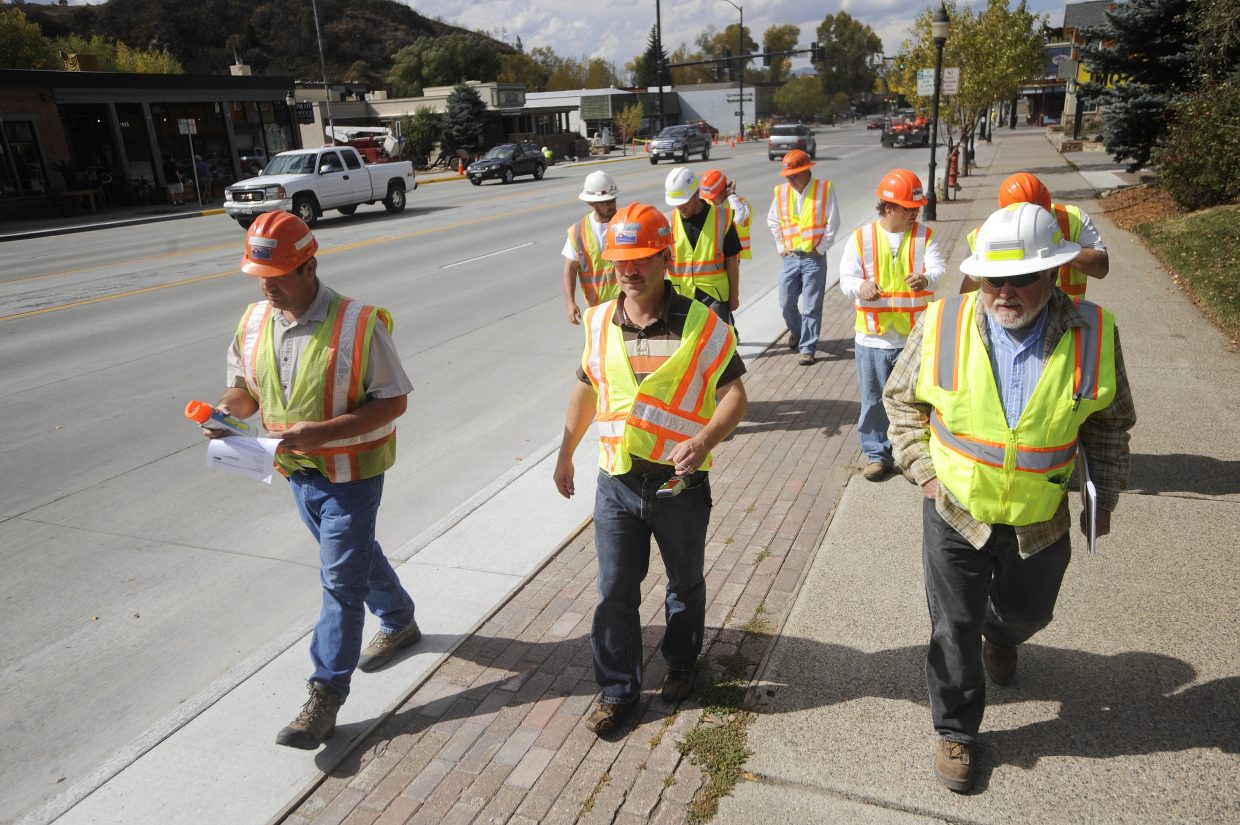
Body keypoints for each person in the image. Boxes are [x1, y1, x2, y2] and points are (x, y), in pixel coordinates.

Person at [884, 202, 1136, 792]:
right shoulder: (942, 321)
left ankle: (1002, 636)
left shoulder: (1095, 332)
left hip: (1038, 519)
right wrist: (925, 474)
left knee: (1029, 613)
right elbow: (900, 401)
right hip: (954, 510)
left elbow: (1110, 425)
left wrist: (1103, 499)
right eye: (993, 278)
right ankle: (956, 730)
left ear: (1052, 273)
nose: (1004, 291)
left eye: (1021, 278)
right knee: (954, 626)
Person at [203, 211, 422, 750]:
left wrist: (324, 432)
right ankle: (399, 619)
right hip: (295, 472)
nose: (266, 284)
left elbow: (393, 400)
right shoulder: (254, 320)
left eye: (276, 273)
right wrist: (225, 412)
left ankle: (324, 696)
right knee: (354, 556)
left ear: (309, 266)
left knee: (339, 580)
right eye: (259, 274)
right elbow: (244, 389)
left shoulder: (359, 323)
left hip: (352, 474)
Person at [553, 203, 748, 735]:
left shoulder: (702, 323)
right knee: (615, 589)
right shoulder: (598, 321)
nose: (629, 270)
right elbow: (587, 388)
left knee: (684, 584)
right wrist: (565, 452)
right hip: (616, 481)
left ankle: (681, 663)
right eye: (621, 260)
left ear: (666, 258)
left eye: (640, 258)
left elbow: (735, 395)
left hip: (678, 485)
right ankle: (618, 689)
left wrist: (705, 439)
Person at [839, 169, 944, 481]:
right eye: (908, 208)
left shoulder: (925, 236)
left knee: (914, 402)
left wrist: (927, 278)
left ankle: (911, 458)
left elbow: (939, 269)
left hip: (914, 338)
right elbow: (846, 278)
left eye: (917, 208)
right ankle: (877, 455)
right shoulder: (862, 238)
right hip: (873, 338)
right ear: (887, 207)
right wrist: (861, 287)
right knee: (873, 402)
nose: (915, 213)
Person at [961, 172, 1109, 301]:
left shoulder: (1073, 219)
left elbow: (1101, 268)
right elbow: (967, 295)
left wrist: (1059, 247)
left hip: (1068, 315)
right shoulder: (985, 234)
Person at [767, 149, 841, 365]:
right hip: (790, 257)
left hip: (813, 258)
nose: (790, 179)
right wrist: (780, 246)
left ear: (807, 171)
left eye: (794, 175)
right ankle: (798, 332)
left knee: (811, 306)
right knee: (785, 302)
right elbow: (773, 221)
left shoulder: (824, 189)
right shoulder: (782, 192)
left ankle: (807, 348)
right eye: (787, 175)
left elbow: (833, 221)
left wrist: (822, 247)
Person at [663, 166, 743, 325]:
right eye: (677, 204)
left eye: (684, 202)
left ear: (696, 193)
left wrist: (734, 295)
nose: (681, 207)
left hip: (714, 296)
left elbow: (731, 260)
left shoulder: (721, 218)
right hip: (682, 296)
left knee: (719, 339)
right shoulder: (668, 222)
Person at [562, 170, 620, 324]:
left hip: (626, 305)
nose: (612, 205)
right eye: (606, 202)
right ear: (591, 203)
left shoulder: (625, 223)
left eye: (613, 200)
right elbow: (570, 269)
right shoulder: (578, 232)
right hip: (597, 310)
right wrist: (570, 303)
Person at [700, 169, 753, 260]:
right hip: (711, 256)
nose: (710, 199)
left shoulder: (741, 204)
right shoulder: (708, 202)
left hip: (732, 257)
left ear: (723, 191)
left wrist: (731, 194)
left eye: (713, 197)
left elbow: (738, 219)